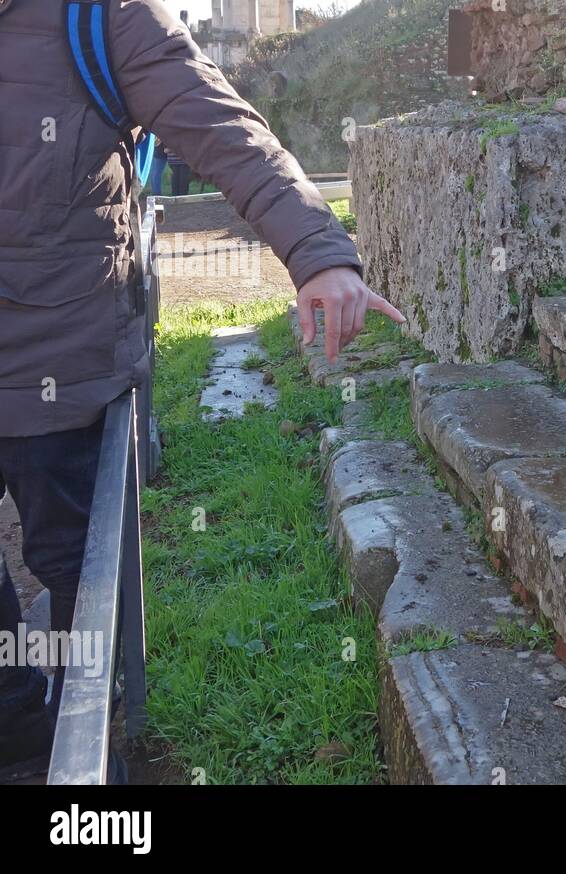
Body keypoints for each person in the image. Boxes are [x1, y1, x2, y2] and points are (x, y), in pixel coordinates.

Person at [0, 0, 405, 780]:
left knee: (78, 576)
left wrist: (318, 253)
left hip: (60, 367)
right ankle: (19, 731)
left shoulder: (100, 15)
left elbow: (224, 129)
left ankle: (89, 756)